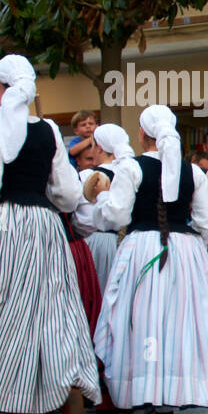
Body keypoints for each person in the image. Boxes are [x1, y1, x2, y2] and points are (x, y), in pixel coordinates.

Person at [0, 54, 99, 414]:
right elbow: (68, 195)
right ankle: (67, 380)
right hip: (45, 228)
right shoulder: (50, 130)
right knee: (50, 314)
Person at [90, 106, 208, 414]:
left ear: (142, 134)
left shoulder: (131, 168)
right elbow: (204, 221)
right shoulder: (194, 173)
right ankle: (160, 410)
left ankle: (160, 413)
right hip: (184, 250)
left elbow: (116, 214)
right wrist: (198, 252)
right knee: (176, 328)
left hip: (144, 249)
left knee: (145, 325)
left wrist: (101, 199)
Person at [74, 123, 129, 293]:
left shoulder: (85, 176)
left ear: (99, 148)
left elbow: (79, 216)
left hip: (95, 242)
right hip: (127, 243)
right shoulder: (130, 173)